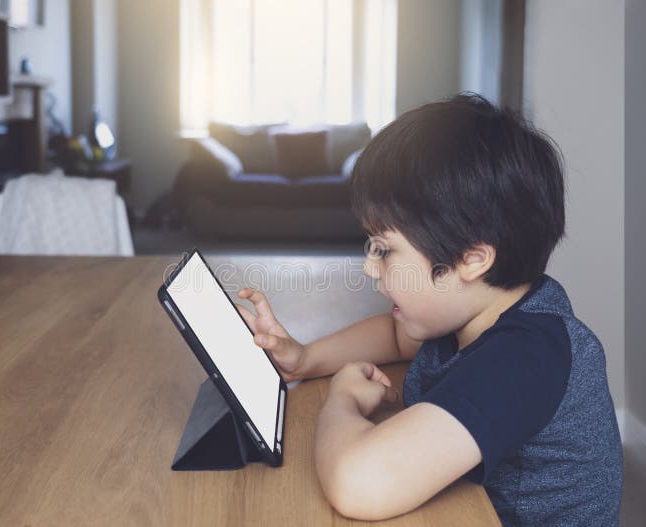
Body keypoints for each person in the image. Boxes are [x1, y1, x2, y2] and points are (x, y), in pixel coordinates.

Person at [234, 93, 623, 526]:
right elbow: (396, 336)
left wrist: (343, 402)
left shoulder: (525, 357)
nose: (369, 267)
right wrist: (306, 358)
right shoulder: (477, 309)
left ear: (471, 259)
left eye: (385, 250)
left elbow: (359, 484)